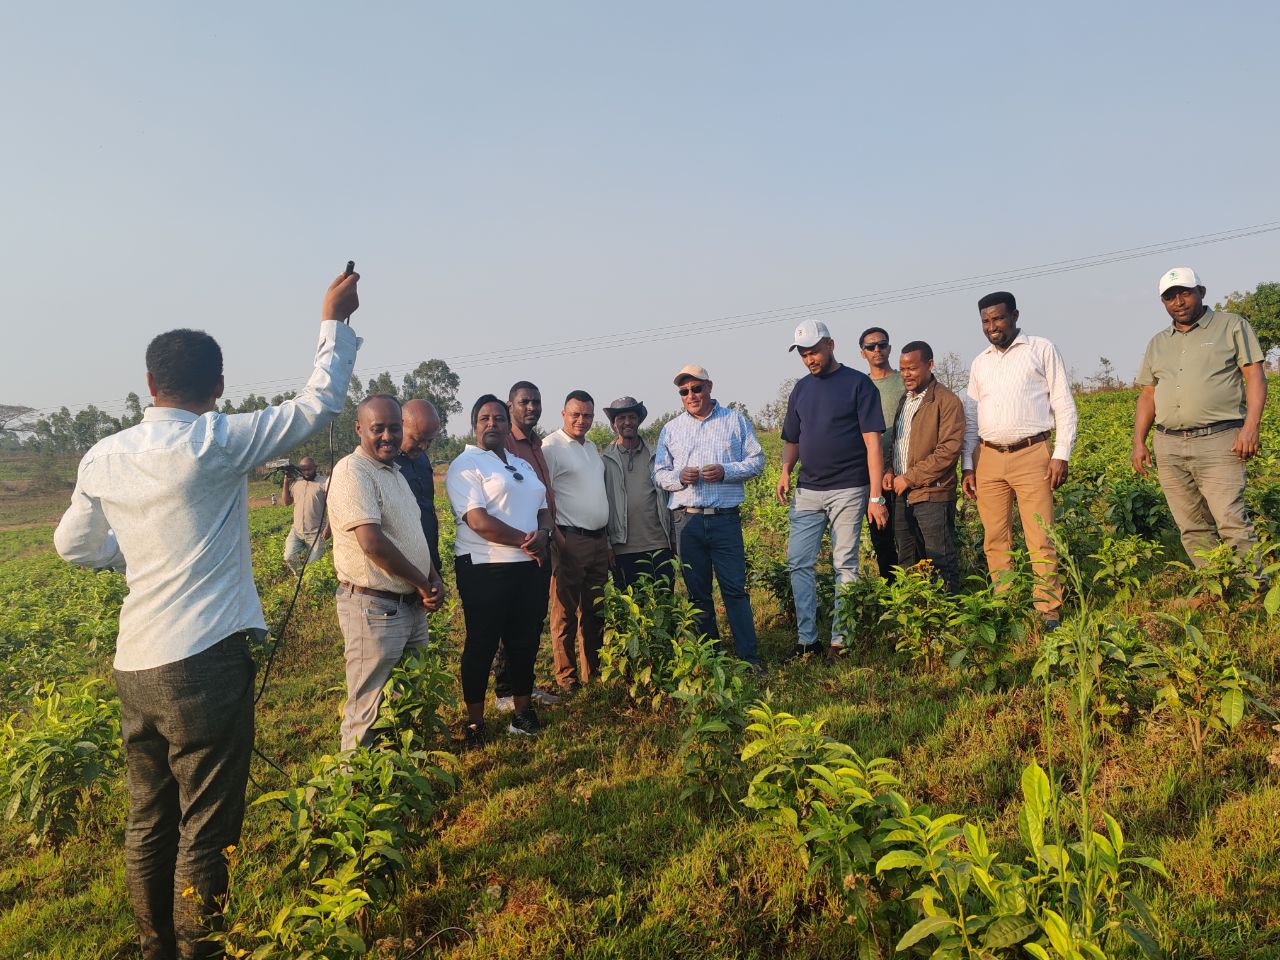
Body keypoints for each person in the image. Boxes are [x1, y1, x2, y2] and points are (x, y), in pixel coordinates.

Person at [53, 271, 361, 959]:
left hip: (134, 665)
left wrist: (133, 556)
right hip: (204, 663)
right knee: (207, 822)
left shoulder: (104, 455)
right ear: (219, 386)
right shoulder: (217, 441)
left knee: (148, 817)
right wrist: (333, 320)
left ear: (148, 383)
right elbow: (318, 403)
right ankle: (199, 948)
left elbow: (72, 545)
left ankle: (154, 943)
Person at [329, 394, 444, 751]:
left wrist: (433, 576)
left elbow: (413, 533)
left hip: (408, 604)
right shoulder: (353, 471)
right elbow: (372, 543)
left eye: (394, 428)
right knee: (368, 706)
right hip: (374, 608)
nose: (388, 436)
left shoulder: (394, 472)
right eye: (378, 428)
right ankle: (356, 780)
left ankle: (400, 770)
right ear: (359, 428)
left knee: (407, 698)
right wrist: (422, 582)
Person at [1132, 267, 1266, 564]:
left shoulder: (1231, 325)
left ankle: (1252, 586)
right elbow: (1148, 394)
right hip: (1169, 444)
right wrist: (1138, 442)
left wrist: (1250, 427)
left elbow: (1254, 375)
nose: (1178, 302)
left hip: (1219, 440)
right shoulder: (1158, 342)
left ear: (1201, 292)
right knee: (1191, 526)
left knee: (1231, 520)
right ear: (1163, 302)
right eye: (1170, 297)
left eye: (1185, 293)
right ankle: (1213, 582)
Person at [961, 291, 1077, 629]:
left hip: (1032, 454)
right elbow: (971, 419)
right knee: (995, 537)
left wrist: (1061, 454)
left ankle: (1048, 607)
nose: (992, 326)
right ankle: (1005, 601)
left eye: (998, 318)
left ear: (1014, 315)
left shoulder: (1041, 349)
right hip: (988, 457)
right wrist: (968, 464)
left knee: (1039, 535)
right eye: (985, 321)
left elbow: (1064, 404)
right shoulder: (980, 362)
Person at [777, 321, 888, 659]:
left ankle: (842, 640)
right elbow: (792, 438)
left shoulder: (858, 384)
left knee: (845, 563)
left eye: (814, 351)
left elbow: (873, 444)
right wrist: (785, 471)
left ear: (831, 345)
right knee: (799, 562)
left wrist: (875, 496)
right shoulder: (801, 389)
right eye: (803, 354)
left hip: (849, 488)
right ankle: (807, 640)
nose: (809, 359)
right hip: (807, 489)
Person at [447, 395, 554, 744]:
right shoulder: (466, 465)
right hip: (485, 568)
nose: (492, 423)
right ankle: (475, 724)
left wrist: (544, 534)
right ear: (474, 426)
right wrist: (528, 541)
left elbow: (542, 508)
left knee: (524, 642)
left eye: (499, 418)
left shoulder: (521, 464)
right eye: (484, 418)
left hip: (530, 568)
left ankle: (522, 713)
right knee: (482, 643)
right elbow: (478, 521)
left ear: (508, 425)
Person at [654, 364, 764, 667]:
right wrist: (679, 477)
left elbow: (757, 461)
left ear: (709, 387)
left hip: (724, 519)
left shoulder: (734, 420)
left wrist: (726, 471)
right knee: (697, 593)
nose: (691, 395)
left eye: (696, 388)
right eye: (684, 391)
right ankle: (711, 658)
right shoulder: (671, 429)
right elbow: (659, 474)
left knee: (734, 590)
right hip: (686, 521)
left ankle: (749, 658)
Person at [492, 380, 561, 710]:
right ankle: (506, 691)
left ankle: (525, 685)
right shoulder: (503, 443)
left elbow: (542, 496)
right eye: (524, 402)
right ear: (510, 406)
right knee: (510, 623)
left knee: (531, 622)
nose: (531, 407)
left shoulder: (536, 444)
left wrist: (549, 534)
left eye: (536, 401)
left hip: (541, 541)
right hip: (514, 548)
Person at [542, 390, 611, 691]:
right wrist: (556, 539)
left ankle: (591, 672)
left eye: (587, 415)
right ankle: (566, 676)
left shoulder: (592, 447)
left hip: (597, 540)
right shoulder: (551, 447)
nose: (581, 420)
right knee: (565, 613)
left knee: (594, 610)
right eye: (576, 414)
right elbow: (544, 495)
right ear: (563, 414)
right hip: (569, 539)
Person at [883, 341, 965, 593]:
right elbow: (897, 441)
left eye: (912, 368)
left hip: (932, 493)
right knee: (907, 558)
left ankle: (950, 609)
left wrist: (909, 478)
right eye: (902, 369)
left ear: (930, 365)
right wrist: (890, 470)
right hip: (902, 493)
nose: (906, 374)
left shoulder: (946, 401)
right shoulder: (905, 400)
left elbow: (948, 451)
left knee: (940, 558)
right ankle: (914, 608)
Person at [602, 396, 676, 592]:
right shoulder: (604, 460)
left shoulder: (657, 456)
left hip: (658, 545)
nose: (627, 422)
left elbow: (670, 497)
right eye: (621, 418)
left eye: (632, 417)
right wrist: (607, 545)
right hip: (622, 548)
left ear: (639, 420)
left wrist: (673, 540)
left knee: (664, 602)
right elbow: (602, 505)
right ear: (614, 423)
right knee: (630, 606)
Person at [859, 325, 905, 579]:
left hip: (903, 469)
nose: (877, 349)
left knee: (908, 534)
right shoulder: (859, 385)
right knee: (881, 535)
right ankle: (891, 590)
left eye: (882, 344)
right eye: (871, 346)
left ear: (889, 348)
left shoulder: (904, 381)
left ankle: (918, 589)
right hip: (872, 473)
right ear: (862, 353)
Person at [395, 398, 444, 575]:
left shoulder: (422, 458)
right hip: (403, 568)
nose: (423, 446)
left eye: (429, 441)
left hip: (429, 560)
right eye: (417, 439)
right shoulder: (383, 463)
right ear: (399, 426)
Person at [281, 456, 330, 573]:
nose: (306, 472)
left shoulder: (324, 483)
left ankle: (309, 579)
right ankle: (301, 578)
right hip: (296, 531)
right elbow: (287, 502)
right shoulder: (296, 483)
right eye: (303, 469)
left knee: (314, 566)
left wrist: (329, 527)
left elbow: (333, 507)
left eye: (309, 469)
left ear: (315, 468)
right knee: (289, 557)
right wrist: (286, 482)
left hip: (316, 532)